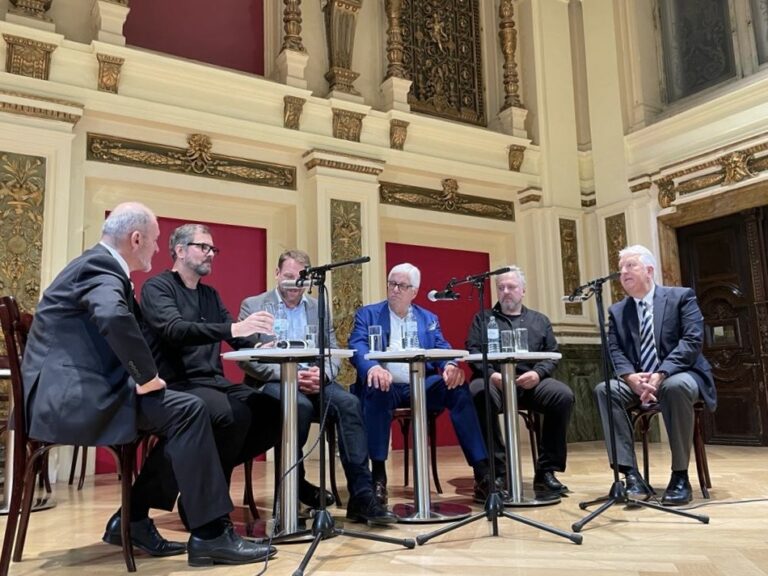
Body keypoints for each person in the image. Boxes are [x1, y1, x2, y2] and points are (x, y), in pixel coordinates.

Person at [21, 203, 274, 566]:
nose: (157, 249)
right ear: (136, 238)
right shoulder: (100, 266)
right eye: (155, 241)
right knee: (192, 410)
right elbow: (114, 316)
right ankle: (210, 534)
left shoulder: (101, 268)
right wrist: (146, 376)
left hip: (90, 390)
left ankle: (137, 519)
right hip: (77, 399)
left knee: (206, 410)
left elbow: (128, 328)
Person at [237, 249, 396, 525]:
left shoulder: (317, 306)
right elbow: (247, 357)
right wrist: (289, 376)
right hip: (272, 381)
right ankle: (292, 488)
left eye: (300, 278)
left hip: (313, 379)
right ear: (277, 274)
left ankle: (361, 495)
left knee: (350, 404)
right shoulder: (254, 305)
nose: (294, 283)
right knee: (297, 405)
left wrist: (322, 374)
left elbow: (332, 351)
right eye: (288, 276)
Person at [140, 224, 282, 510]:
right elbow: (175, 329)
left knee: (274, 412)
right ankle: (206, 504)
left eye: (212, 249)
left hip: (212, 382)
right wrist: (235, 328)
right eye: (203, 247)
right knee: (233, 414)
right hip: (176, 384)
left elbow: (233, 334)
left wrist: (259, 347)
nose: (211, 254)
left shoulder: (210, 295)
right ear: (180, 251)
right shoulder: (157, 287)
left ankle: (201, 487)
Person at [348, 262, 492, 503]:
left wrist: (450, 365)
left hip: (420, 385)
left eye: (402, 286)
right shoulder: (368, 314)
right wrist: (373, 367)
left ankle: (482, 473)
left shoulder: (428, 318)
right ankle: (378, 476)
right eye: (392, 284)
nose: (395, 289)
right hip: (387, 385)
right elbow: (357, 345)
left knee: (457, 387)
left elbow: (442, 347)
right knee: (376, 387)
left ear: (414, 291)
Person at [594, 244, 716, 505]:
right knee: (606, 389)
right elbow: (614, 350)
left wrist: (661, 373)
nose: (623, 272)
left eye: (630, 266)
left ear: (649, 270)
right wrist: (629, 377)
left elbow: (692, 341)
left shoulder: (681, 297)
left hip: (680, 373)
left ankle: (680, 476)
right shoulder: (618, 311)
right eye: (620, 268)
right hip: (637, 380)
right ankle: (631, 475)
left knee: (675, 387)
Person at [465, 266, 574, 496]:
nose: (505, 291)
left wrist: (538, 374)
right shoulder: (482, 319)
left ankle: (546, 471)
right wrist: (492, 375)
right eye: (501, 287)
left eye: (511, 287)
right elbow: (473, 352)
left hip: (530, 382)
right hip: (495, 382)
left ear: (523, 290)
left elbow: (551, 354)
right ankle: (495, 472)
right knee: (478, 393)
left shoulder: (540, 320)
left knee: (562, 396)